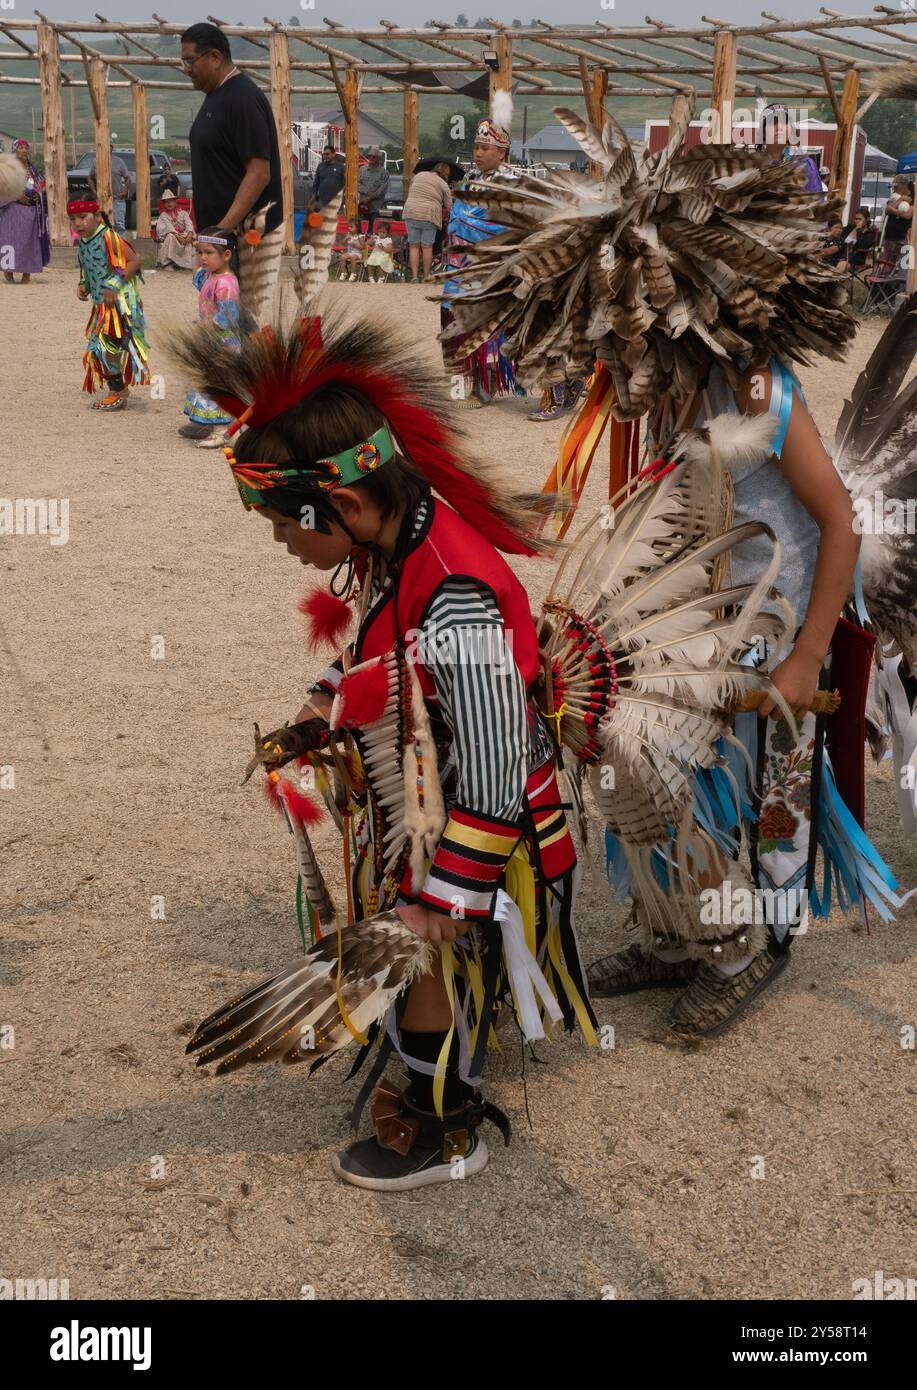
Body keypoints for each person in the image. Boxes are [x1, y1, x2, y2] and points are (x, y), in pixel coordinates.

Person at [443, 92, 903, 1037]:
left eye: (631, 321)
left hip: (773, 619)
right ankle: (672, 931)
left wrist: (809, 654)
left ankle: (748, 945)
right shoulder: (651, 390)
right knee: (640, 767)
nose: (617, 343)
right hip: (689, 617)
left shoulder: (759, 391)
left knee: (744, 793)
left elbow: (840, 523)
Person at [172, 310, 597, 1189]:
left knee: (430, 953)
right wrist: (329, 699)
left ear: (347, 503)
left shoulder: (460, 596)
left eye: (284, 525)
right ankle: (437, 1050)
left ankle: (448, 1130)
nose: (284, 545)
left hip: (478, 816)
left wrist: (441, 898)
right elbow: (383, 643)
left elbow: (489, 774)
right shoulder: (399, 537)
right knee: (417, 944)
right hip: (418, 790)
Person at [182, 21, 285, 325]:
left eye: (190, 60)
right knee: (219, 319)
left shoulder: (242, 97)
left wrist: (222, 232)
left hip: (243, 236)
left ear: (214, 57)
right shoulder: (216, 96)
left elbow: (259, 172)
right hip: (223, 237)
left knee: (236, 322)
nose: (186, 68)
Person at [441, 95, 518, 409]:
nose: (478, 153)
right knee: (454, 324)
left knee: (482, 329)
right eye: (476, 148)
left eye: (485, 148)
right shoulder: (471, 182)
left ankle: (483, 386)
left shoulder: (510, 187)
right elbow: (457, 217)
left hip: (487, 270)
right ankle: (462, 383)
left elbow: (509, 227)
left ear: (501, 152)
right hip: (459, 268)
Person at [68, 197, 150, 411]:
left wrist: (113, 284)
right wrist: (84, 283)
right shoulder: (84, 241)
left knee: (105, 347)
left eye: (83, 217)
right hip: (102, 305)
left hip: (121, 305)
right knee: (100, 348)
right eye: (73, 219)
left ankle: (119, 392)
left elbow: (134, 261)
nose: (77, 224)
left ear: (96, 216)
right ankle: (118, 390)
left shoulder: (110, 237)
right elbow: (90, 266)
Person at [180, 227, 242, 446]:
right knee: (206, 382)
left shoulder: (226, 283)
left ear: (226, 255)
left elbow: (229, 315)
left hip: (222, 343)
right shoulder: (211, 276)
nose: (203, 258)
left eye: (209, 253)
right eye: (200, 252)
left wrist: (209, 326)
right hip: (211, 340)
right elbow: (198, 280)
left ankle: (222, 431)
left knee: (218, 385)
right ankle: (213, 425)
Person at [0, 138, 50, 284]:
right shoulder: (8, 167)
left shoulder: (32, 169)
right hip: (13, 210)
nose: (24, 150)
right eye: (21, 147)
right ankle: (9, 269)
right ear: (15, 149)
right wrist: (16, 196)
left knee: (29, 242)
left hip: (30, 211)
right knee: (12, 241)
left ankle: (26, 274)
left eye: (26, 147)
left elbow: (40, 184)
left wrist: (38, 194)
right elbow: (3, 187)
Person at [402, 160, 452, 284]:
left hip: (411, 211)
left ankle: (414, 277)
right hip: (429, 214)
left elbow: (413, 191)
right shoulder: (443, 184)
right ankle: (426, 276)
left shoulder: (419, 175)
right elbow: (450, 206)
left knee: (413, 245)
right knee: (427, 247)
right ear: (446, 173)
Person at [87, 144, 131, 234]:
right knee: (101, 224)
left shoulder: (119, 161)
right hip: (101, 199)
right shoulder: (96, 161)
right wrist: (94, 192)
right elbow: (90, 177)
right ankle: (104, 245)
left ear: (112, 148)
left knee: (119, 224)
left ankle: (121, 245)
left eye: (110, 145)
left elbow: (127, 178)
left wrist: (125, 191)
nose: (108, 147)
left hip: (117, 197)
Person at [155, 188, 197, 270]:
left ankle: (184, 263)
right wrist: (177, 236)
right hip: (172, 235)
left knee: (189, 238)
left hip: (183, 235)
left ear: (175, 201)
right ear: (164, 203)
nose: (169, 203)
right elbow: (168, 228)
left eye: (171, 201)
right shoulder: (163, 215)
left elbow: (189, 224)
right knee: (171, 236)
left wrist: (190, 234)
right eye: (166, 201)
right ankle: (168, 262)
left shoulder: (183, 213)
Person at [836, 208, 876, 275]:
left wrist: (859, 231)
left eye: (860, 219)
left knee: (842, 264)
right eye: (856, 219)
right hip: (838, 254)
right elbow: (839, 235)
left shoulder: (870, 234)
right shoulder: (850, 227)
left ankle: (833, 282)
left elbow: (862, 246)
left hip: (853, 259)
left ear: (867, 219)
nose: (857, 221)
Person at [358, 147, 389, 224]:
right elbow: (357, 184)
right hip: (362, 206)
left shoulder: (384, 173)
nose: (371, 158)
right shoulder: (361, 169)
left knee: (374, 231)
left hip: (376, 208)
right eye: (369, 156)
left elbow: (382, 189)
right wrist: (367, 192)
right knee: (361, 230)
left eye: (374, 156)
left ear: (379, 158)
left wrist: (370, 198)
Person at [882, 177, 913, 254]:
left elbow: (907, 215)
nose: (894, 189)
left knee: (900, 264)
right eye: (893, 187)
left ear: (904, 185)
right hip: (889, 236)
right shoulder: (895, 196)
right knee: (886, 263)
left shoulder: (913, 197)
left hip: (902, 237)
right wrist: (901, 199)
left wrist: (891, 209)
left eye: (896, 186)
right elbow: (886, 211)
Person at [365, 218, 394, 283]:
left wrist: (383, 247)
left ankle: (381, 277)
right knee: (370, 261)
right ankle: (370, 277)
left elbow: (389, 250)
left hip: (385, 255)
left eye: (383, 232)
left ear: (387, 233)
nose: (381, 234)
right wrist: (371, 239)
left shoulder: (388, 240)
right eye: (380, 232)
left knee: (380, 261)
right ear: (377, 231)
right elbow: (367, 244)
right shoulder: (376, 238)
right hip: (375, 254)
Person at [340, 216, 365, 281]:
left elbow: (363, 247)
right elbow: (342, 243)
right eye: (349, 226)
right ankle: (343, 272)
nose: (349, 228)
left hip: (357, 254)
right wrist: (345, 239)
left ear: (357, 228)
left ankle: (353, 273)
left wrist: (356, 245)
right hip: (350, 252)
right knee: (342, 257)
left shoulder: (360, 236)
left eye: (351, 227)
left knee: (353, 257)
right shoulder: (349, 234)